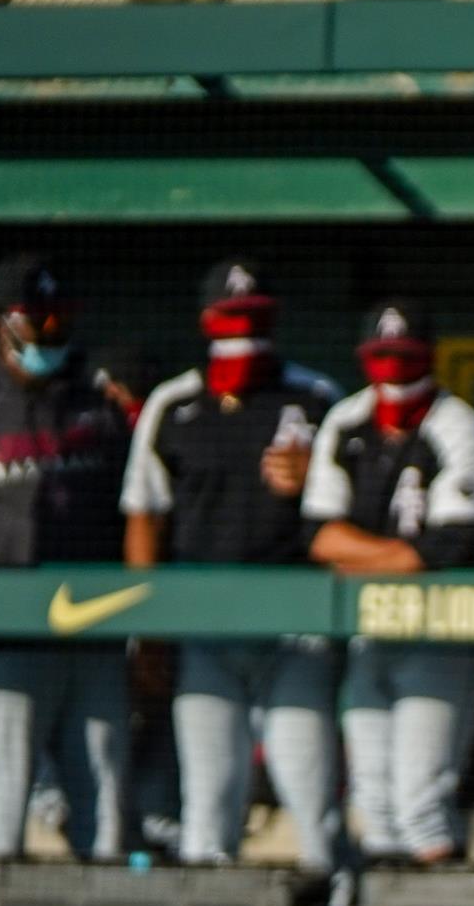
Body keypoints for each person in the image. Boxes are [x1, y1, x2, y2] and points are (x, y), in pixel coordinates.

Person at [120, 258, 345, 872]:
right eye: (231, 318)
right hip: (204, 625)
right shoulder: (175, 402)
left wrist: (313, 482)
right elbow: (144, 515)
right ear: (206, 322)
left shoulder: (315, 396)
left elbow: (356, 512)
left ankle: (332, 905)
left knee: (308, 781)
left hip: (298, 624)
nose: (244, 331)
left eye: (255, 318)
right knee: (209, 787)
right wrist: (149, 628)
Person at [0, 253, 131, 893]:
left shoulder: (98, 407)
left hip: (93, 631)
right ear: (1, 324)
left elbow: (135, 513)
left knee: (102, 812)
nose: (51, 333)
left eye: (61, 319)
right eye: (37, 319)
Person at [303, 301, 474, 866]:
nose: (392, 368)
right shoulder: (347, 419)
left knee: (420, 801)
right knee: (374, 800)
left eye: (404, 356)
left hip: (438, 633)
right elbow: (317, 534)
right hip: (371, 631)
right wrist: (398, 556)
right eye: (382, 355)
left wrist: (362, 556)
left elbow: (447, 545)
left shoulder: (456, 423)